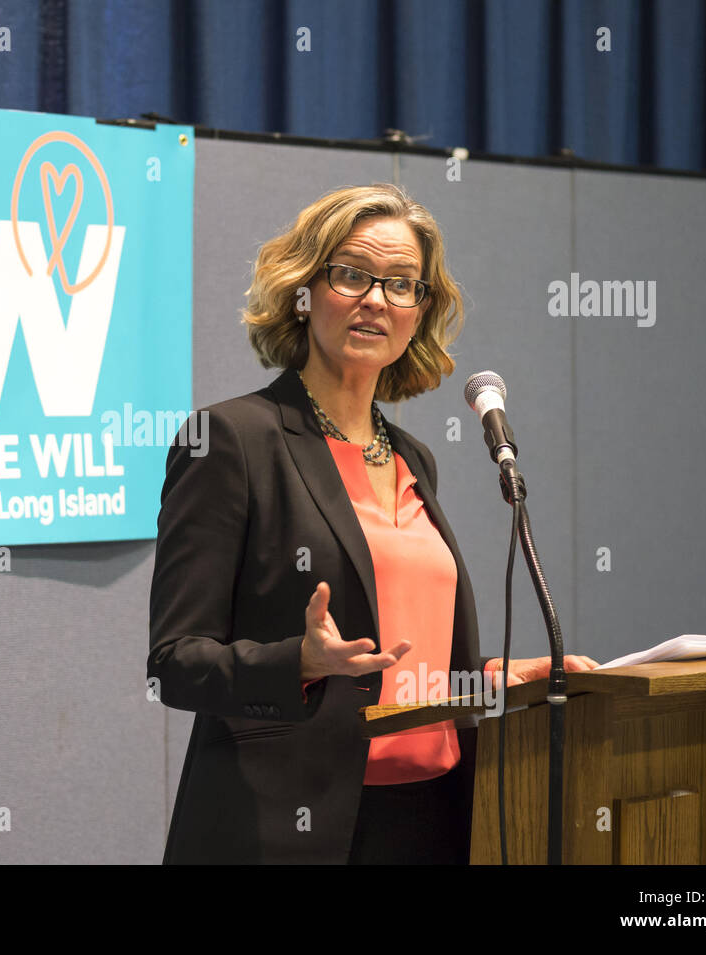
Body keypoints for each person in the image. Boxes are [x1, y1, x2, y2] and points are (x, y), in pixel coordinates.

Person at [147, 183, 597, 865]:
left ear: (421, 310)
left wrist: (490, 678)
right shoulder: (231, 439)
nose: (376, 299)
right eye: (352, 274)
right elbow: (175, 662)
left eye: (401, 284)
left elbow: (411, 671)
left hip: (434, 814)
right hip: (292, 823)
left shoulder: (415, 458)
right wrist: (295, 662)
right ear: (303, 290)